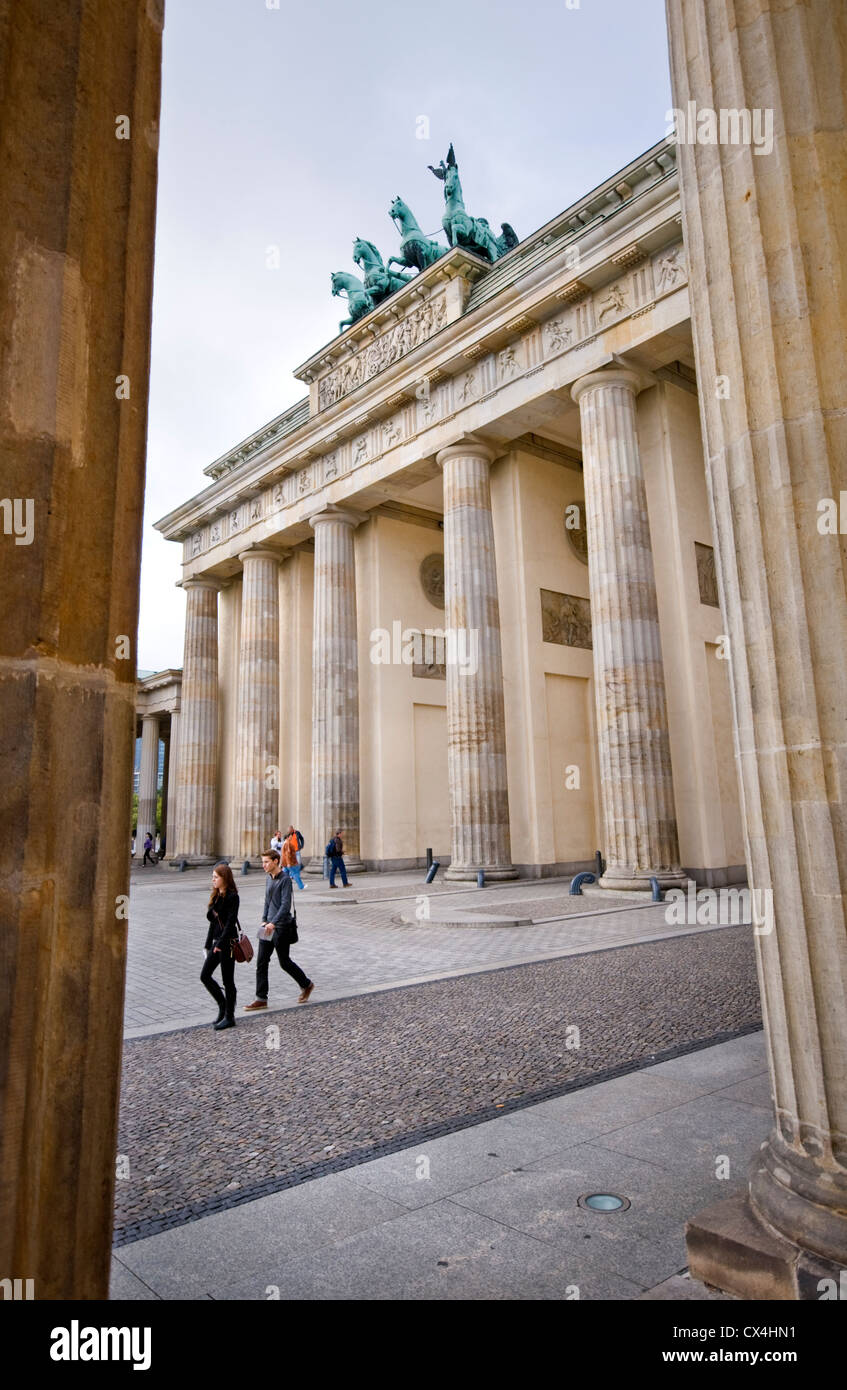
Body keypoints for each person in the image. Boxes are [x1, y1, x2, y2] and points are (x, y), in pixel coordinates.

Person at [244, 849, 314, 1009]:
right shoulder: (268, 879)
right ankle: (261, 998)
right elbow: (267, 902)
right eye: (263, 862)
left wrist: (273, 923)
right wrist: (263, 920)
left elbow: (285, 906)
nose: (264, 865)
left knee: (284, 962)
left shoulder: (285, 880)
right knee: (261, 962)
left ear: (276, 861)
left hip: (280, 927)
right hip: (267, 926)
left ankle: (306, 984)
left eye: (266, 862)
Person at [201, 862, 240, 1030]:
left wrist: (221, 944)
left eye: (216, 877)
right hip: (216, 941)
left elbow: (230, 923)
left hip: (227, 943)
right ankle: (222, 1005)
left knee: (228, 980)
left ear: (225, 878)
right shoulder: (216, 895)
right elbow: (213, 922)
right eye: (213, 877)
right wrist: (208, 944)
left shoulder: (232, 897)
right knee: (205, 976)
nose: (213, 880)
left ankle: (229, 1016)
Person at [282, 824, 306, 890]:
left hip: (286, 861)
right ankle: (301, 886)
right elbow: (287, 854)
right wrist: (289, 863)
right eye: (290, 837)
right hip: (288, 862)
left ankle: (281, 885)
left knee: (283, 874)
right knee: (295, 872)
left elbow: (301, 838)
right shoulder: (287, 844)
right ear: (288, 837)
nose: (291, 838)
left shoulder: (287, 842)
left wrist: (301, 846)